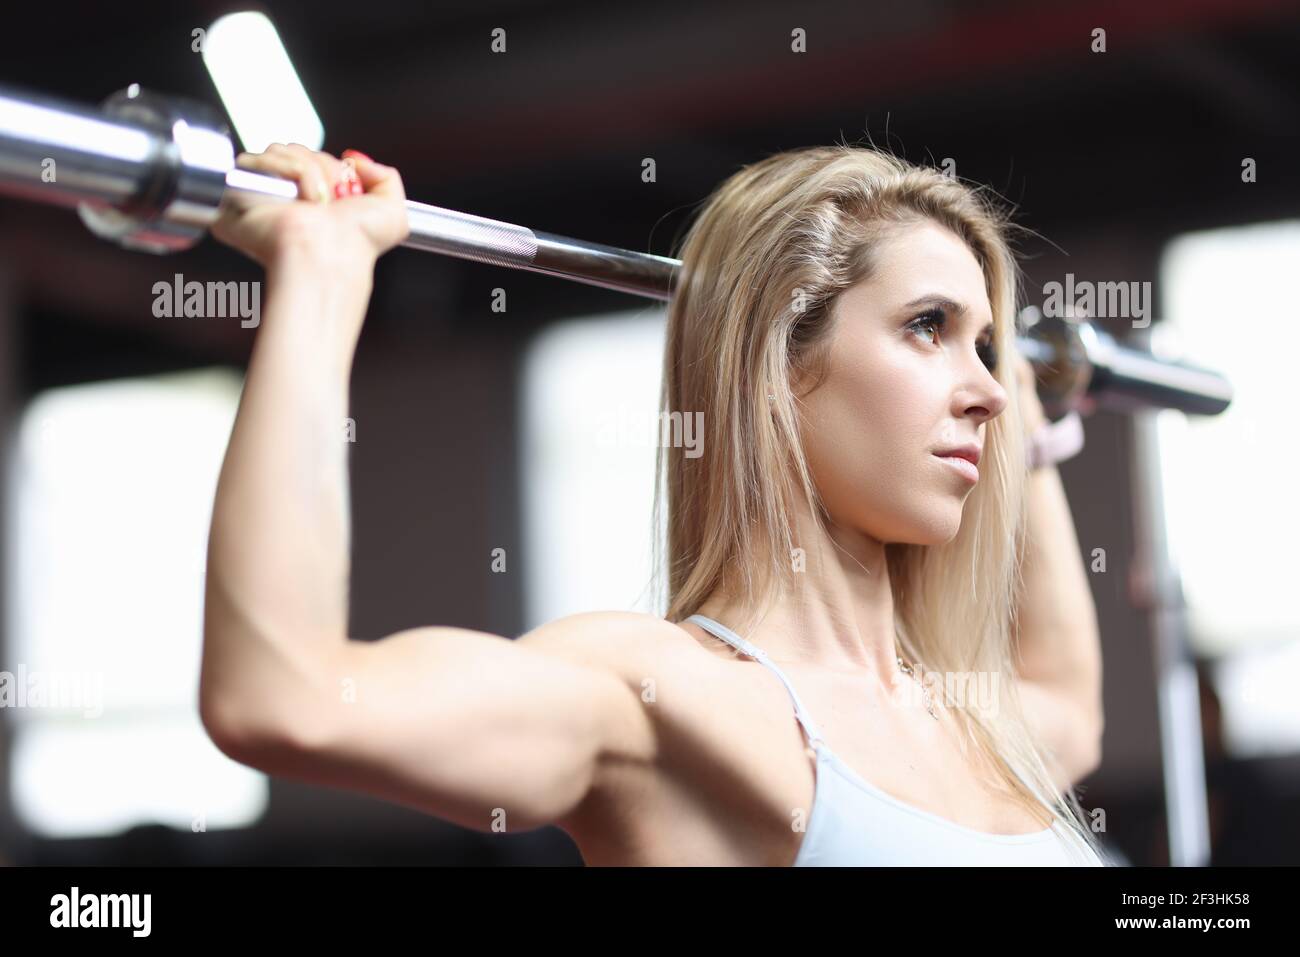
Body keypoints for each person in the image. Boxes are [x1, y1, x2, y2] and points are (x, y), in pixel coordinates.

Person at [199, 142, 1106, 866]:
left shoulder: (968, 714)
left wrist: (1029, 441)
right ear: (778, 366)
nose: (984, 391)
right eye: (927, 327)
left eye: (985, 347)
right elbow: (288, 698)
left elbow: (1073, 702)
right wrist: (321, 275)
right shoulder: (662, 695)